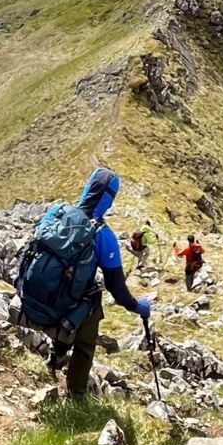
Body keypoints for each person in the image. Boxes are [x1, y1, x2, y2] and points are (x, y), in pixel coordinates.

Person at [43, 168, 152, 399]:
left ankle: (55, 357)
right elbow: (116, 288)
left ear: (87, 187)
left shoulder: (56, 211)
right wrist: (137, 306)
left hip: (44, 291)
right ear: (109, 200)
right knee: (90, 313)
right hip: (71, 302)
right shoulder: (103, 234)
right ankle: (76, 395)